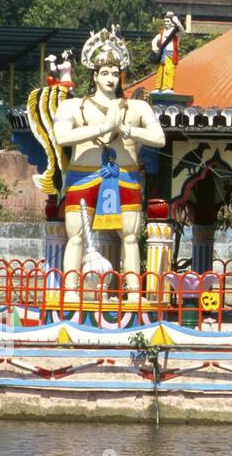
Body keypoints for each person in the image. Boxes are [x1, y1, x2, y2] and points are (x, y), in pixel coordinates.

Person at [53, 26, 166, 301]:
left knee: (129, 236)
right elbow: (62, 136)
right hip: (83, 175)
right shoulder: (74, 106)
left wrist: (126, 130)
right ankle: (70, 292)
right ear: (94, 75)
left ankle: (133, 292)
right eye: (105, 73)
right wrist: (103, 127)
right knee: (76, 236)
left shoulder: (137, 108)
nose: (111, 78)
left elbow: (159, 138)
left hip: (124, 175)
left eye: (116, 73)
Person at [151, 11, 186, 92]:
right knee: (160, 71)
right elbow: (155, 40)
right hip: (162, 52)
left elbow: (182, 31)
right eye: (165, 21)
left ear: (172, 22)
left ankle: (168, 87)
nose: (166, 23)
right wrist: (154, 46)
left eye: (168, 21)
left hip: (171, 53)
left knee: (169, 70)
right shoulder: (163, 32)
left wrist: (177, 22)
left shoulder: (176, 32)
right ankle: (158, 87)